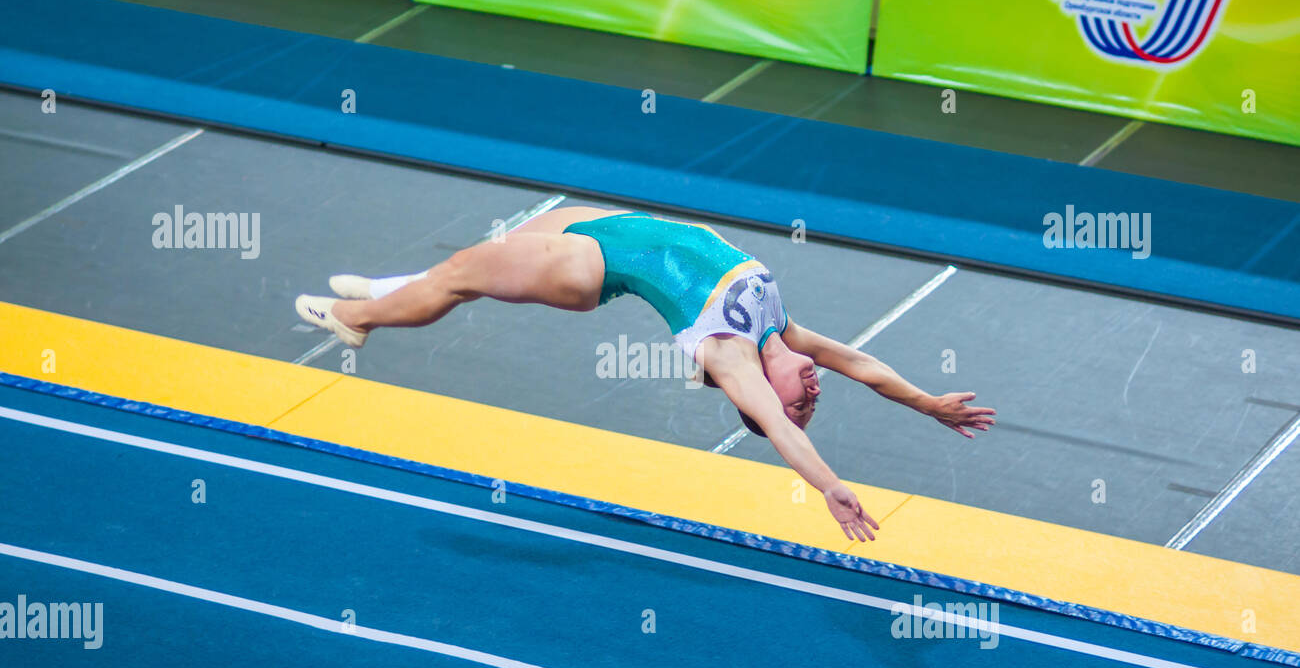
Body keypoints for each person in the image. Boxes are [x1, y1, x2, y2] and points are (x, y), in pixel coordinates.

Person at [295, 206, 995, 541]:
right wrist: (929, 402)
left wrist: (832, 487)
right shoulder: (784, 330)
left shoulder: (730, 353)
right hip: (619, 224)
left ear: (754, 396)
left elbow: (781, 432)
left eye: (800, 403)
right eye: (813, 399)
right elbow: (866, 367)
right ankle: (393, 290)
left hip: (592, 266)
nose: (812, 393)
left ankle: (365, 316)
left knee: (461, 277)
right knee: (473, 264)